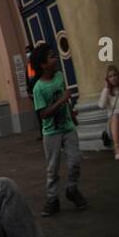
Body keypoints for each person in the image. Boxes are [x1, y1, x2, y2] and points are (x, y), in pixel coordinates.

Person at [30, 43, 86, 217]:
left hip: (68, 127)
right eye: (51, 56)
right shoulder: (38, 88)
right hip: (51, 132)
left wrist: (73, 116)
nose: (56, 58)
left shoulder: (60, 76)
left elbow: (66, 100)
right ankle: (52, 199)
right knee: (52, 168)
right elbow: (43, 114)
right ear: (43, 65)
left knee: (75, 160)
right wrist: (62, 100)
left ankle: (72, 189)